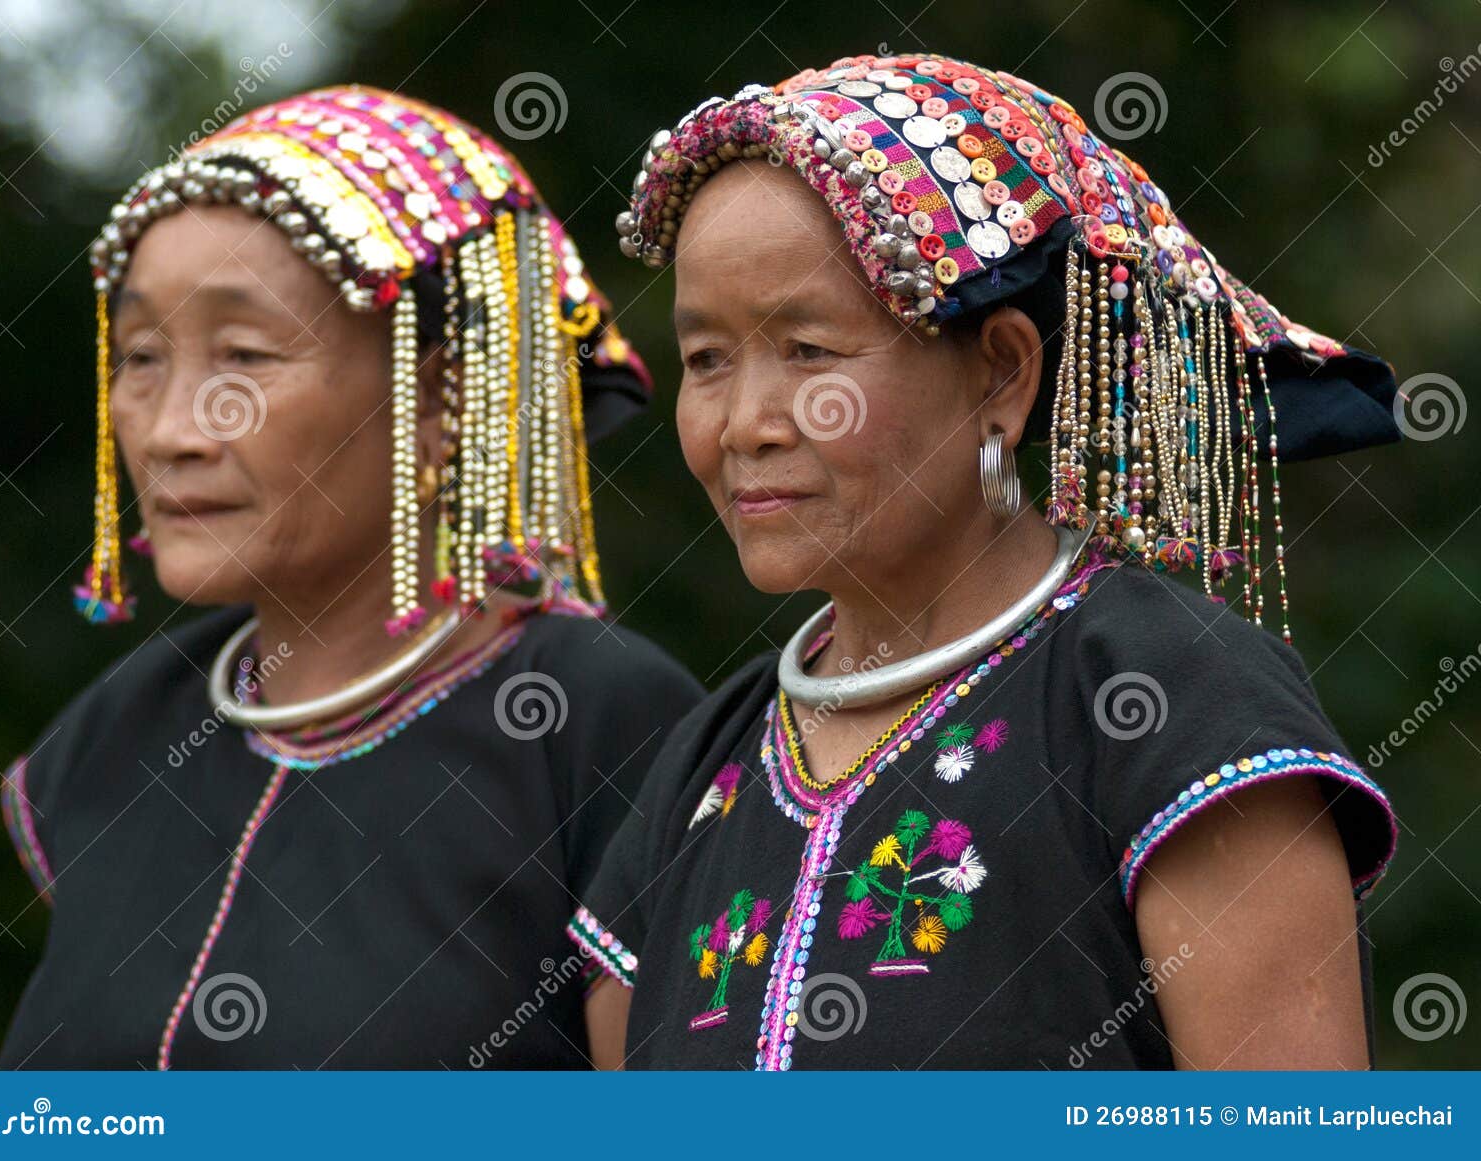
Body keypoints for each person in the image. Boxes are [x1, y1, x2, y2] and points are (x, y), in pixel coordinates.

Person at [571, 52, 1400, 1070]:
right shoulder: (704, 771)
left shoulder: (1164, 701)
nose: (744, 423)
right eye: (706, 360)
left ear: (1001, 375)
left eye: (810, 352)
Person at [0, 84, 702, 1069]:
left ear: (440, 397)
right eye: (141, 355)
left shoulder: (593, 725)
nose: (168, 432)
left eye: (243, 356)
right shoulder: (118, 732)